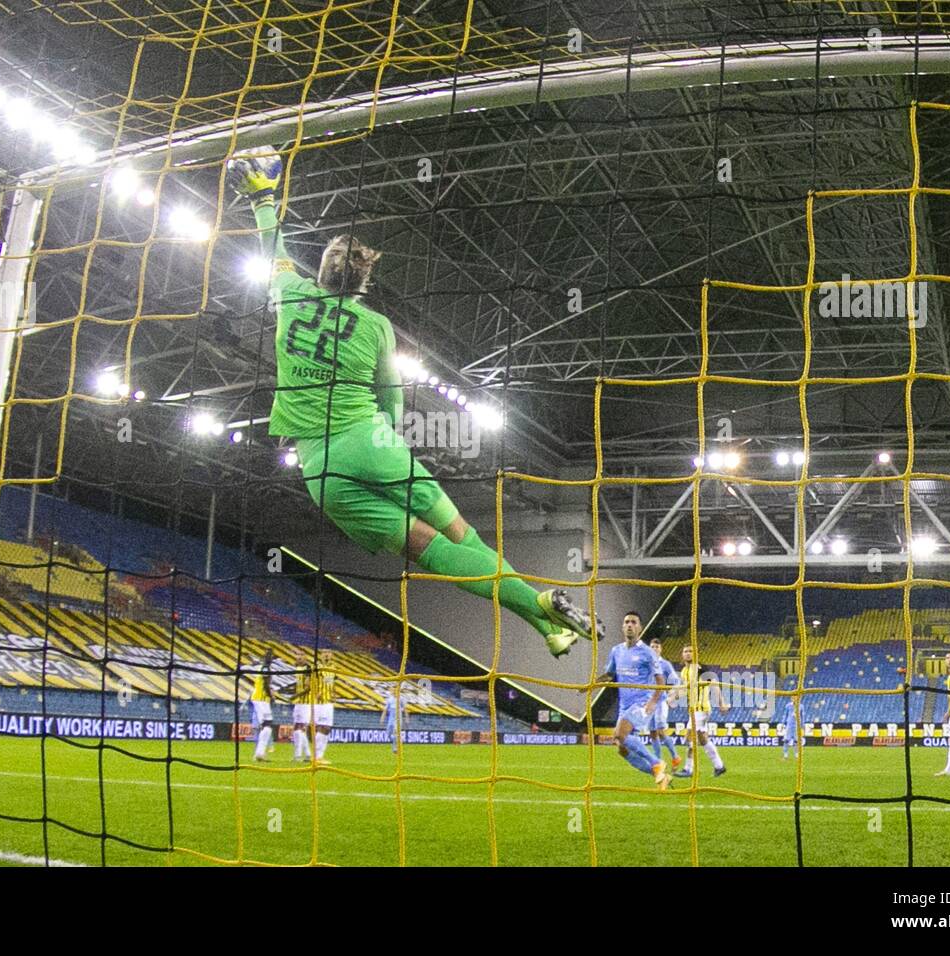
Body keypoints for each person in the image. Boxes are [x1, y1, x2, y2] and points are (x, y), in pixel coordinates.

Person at [227, 149, 600, 659]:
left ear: (321, 272)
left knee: (433, 552)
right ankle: (543, 615)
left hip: (322, 468)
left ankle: (545, 622)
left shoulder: (290, 294)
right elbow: (393, 396)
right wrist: (388, 438)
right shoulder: (376, 327)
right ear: (363, 282)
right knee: (464, 537)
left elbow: (275, 249)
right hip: (374, 443)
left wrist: (263, 198)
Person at [597, 612, 671, 790]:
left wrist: (652, 702)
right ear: (623, 627)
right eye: (626, 622)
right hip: (624, 705)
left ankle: (657, 762)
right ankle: (659, 775)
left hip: (642, 703)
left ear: (640, 628)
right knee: (622, 748)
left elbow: (661, 682)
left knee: (619, 735)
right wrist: (592, 684)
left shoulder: (647, 652)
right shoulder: (616, 651)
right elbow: (609, 674)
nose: (629, 625)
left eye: (633, 622)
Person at [673, 643, 727, 778]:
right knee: (703, 740)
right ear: (682, 654)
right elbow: (686, 689)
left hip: (701, 709)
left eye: (690, 651)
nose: (688, 653)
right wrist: (673, 697)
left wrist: (721, 703)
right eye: (685, 651)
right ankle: (719, 766)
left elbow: (714, 683)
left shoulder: (700, 668)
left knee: (689, 737)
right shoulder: (685, 671)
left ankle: (688, 769)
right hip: (694, 710)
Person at [648, 637, 682, 769]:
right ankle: (658, 761)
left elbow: (676, 681)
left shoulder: (665, 664)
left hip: (660, 702)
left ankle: (675, 757)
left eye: (657, 647)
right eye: (652, 647)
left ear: (661, 649)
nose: (654, 649)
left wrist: (672, 695)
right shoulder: (646, 663)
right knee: (652, 732)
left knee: (660, 731)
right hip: (648, 702)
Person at [249, 649, 277, 762]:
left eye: (271, 656)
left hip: (261, 699)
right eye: (268, 656)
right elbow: (265, 684)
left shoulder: (265, 668)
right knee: (267, 725)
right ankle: (259, 753)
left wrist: (270, 693)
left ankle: (259, 753)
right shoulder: (265, 668)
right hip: (260, 699)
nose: (269, 658)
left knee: (266, 726)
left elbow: (266, 684)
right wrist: (271, 696)